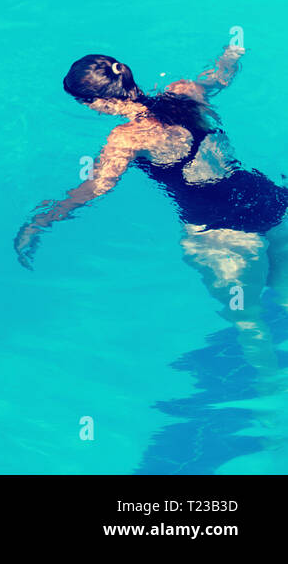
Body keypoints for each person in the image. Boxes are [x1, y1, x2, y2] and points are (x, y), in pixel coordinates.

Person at [15, 47, 288, 388]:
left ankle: (276, 408)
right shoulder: (184, 90)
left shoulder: (126, 138)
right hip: (266, 199)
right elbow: (220, 77)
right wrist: (231, 55)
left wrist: (40, 220)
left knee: (248, 322)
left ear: (99, 103)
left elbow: (96, 188)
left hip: (218, 229)